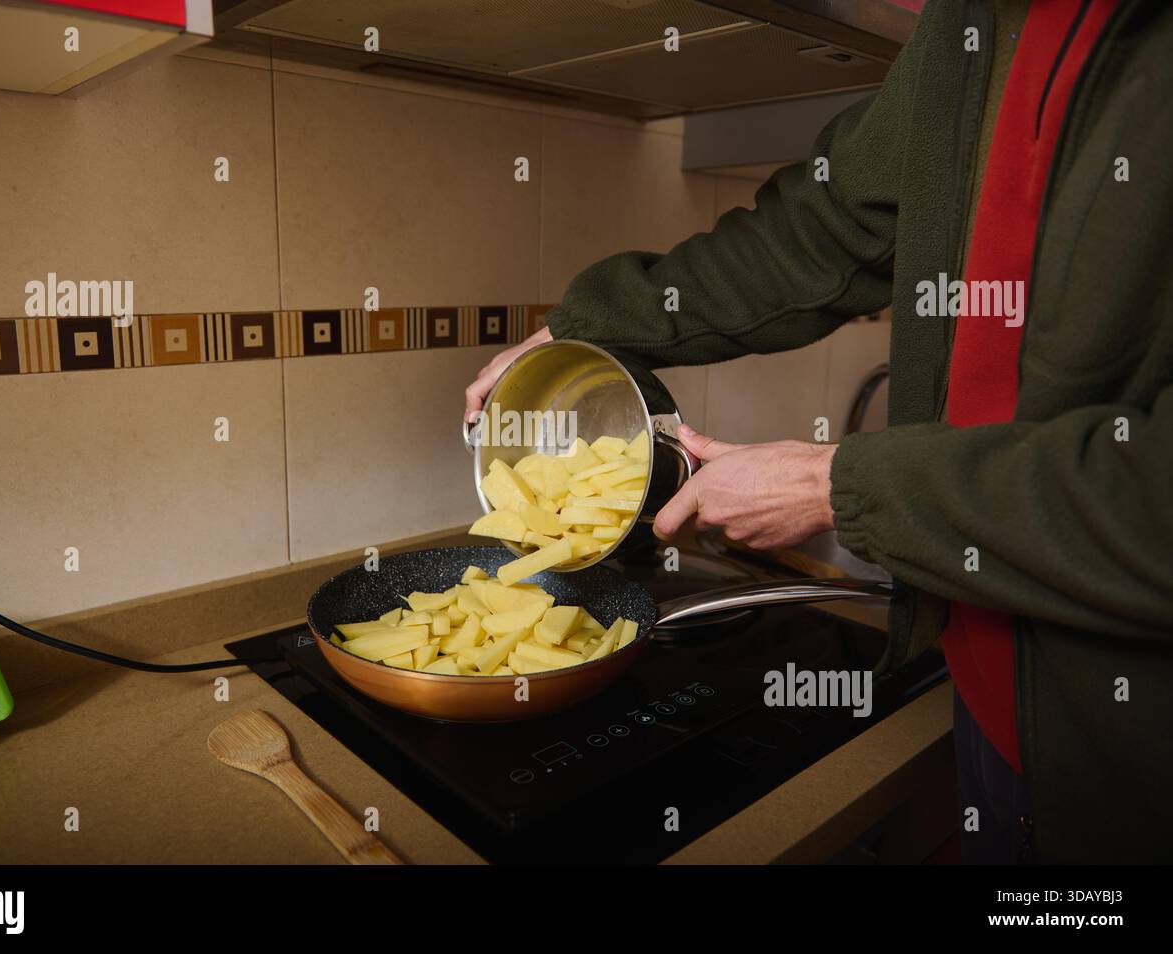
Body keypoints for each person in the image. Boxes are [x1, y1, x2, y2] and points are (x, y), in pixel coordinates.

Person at [463, 0, 1173, 864]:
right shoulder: (977, 25)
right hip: (993, 705)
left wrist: (838, 484)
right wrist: (590, 323)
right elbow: (824, 225)